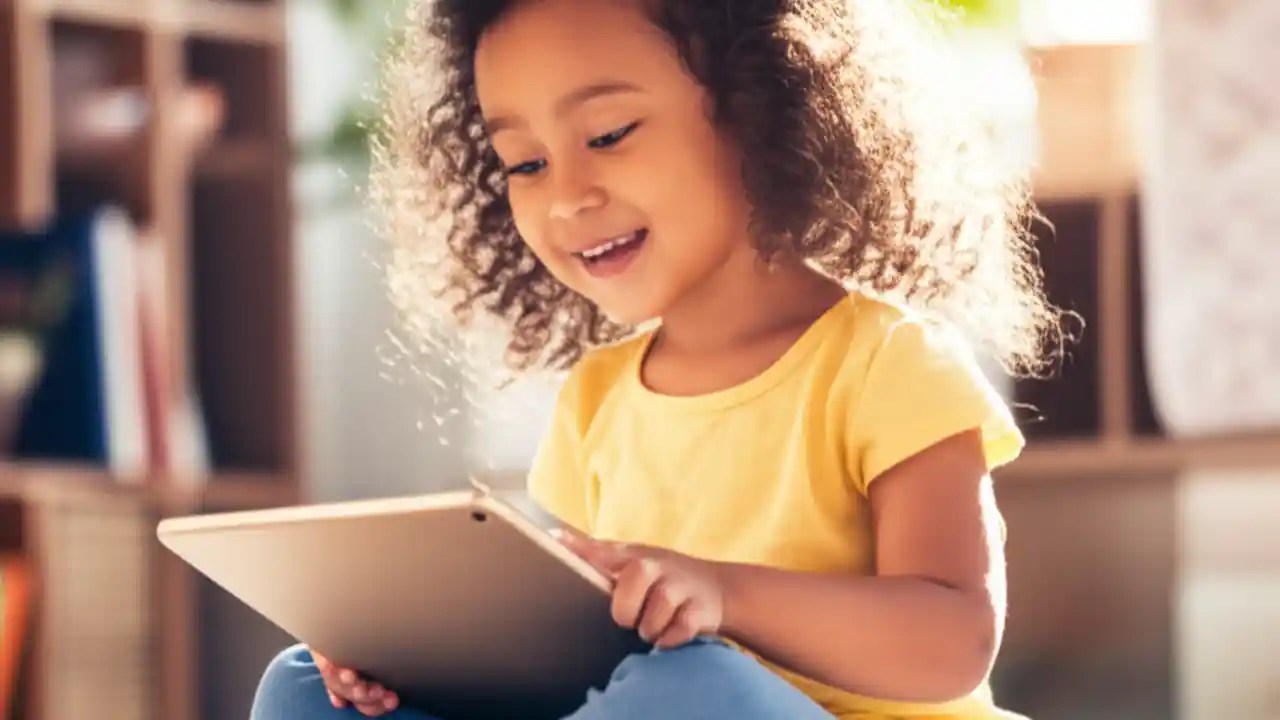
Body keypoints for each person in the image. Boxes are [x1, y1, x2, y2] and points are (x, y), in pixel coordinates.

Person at [252, 0, 1061, 717]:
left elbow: (953, 642)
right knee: (302, 687)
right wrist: (410, 656)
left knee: (692, 687)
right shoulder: (598, 399)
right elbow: (577, 660)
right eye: (526, 164)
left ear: (757, 104)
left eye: (608, 135)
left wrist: (723, 595)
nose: (566, 195)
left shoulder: (889, 363)